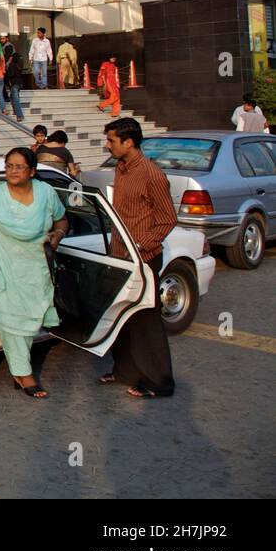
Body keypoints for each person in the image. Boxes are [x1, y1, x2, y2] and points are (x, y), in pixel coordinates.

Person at [0, 147, 69, 398]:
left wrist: (58, 235)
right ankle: (24, 374)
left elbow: (62, 220)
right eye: (9, 166)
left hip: (36, 268)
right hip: (2, 268)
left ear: (32, 171)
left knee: (29, 320)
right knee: (12, 323)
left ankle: (19, 370)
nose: (12, 171)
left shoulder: (46, 194)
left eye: (18, 167)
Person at [99, 118, 177, 398]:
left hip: (143, 257)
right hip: (120, 256)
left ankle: (159, 380)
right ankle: (125, 371)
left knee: (146, 319)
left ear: (128, 142)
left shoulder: (151, 174)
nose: (107, 145)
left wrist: (142, 246)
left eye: (111, 140)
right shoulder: (121, 168)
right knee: (121, 316)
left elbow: (168, 219)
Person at [2, 39, 25, 121]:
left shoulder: (11, 65)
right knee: (13, 97)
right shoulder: (19, 64)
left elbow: (10, 75)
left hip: (14, 84)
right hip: (20, 83)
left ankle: (20, 115)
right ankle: (16, 112)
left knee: (15, 99)